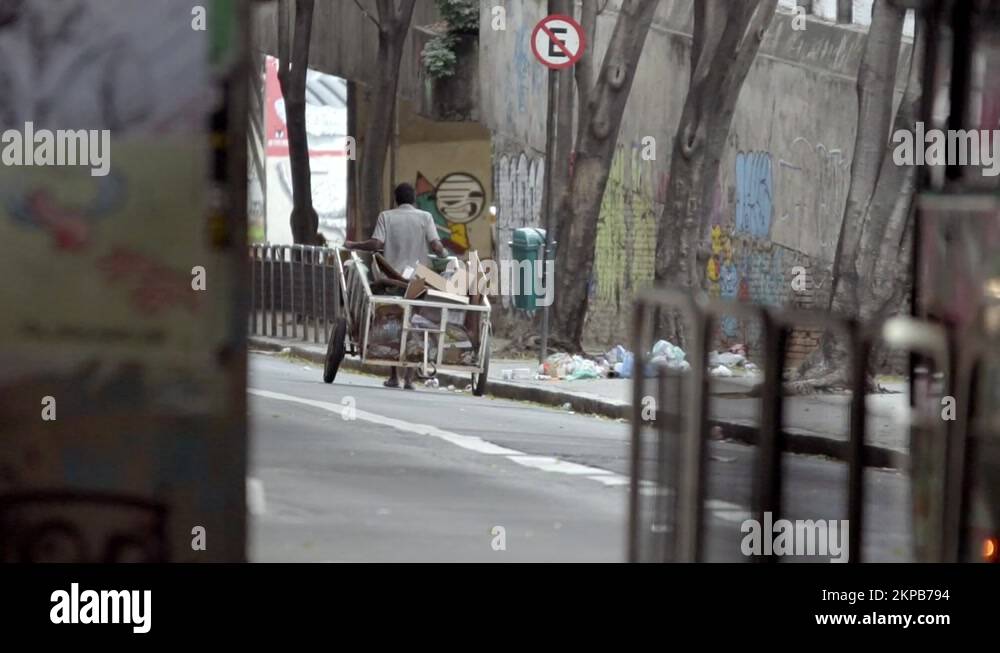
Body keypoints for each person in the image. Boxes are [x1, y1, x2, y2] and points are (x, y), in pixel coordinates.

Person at [345, 182, 447, 390]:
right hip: (417, 282)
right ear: (414, 200)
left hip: (390, 281)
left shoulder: (387, 216)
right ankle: (409, 378)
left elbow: (376, 244)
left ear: (396, 199)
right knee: (414, 324)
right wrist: (443, 254)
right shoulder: (425, 217)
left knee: (393, 325)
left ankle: (394, 376)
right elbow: (436, 245)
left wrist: (353, 245)